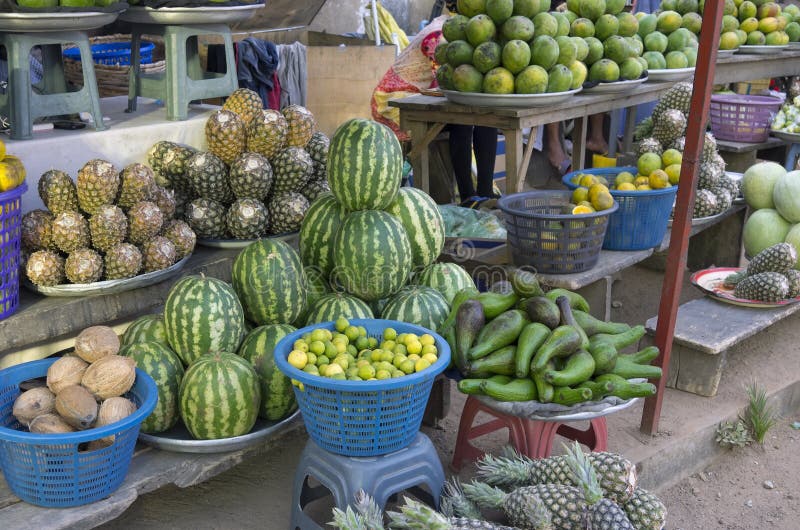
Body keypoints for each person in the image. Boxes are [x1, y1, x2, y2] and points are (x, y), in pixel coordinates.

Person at [371, 12, 499, 206]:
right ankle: (468, 197)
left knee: (487, 116)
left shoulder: (458, 28)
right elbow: (449, 83)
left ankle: (486, 193)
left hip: (424, 96)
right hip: (394, 103)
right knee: (461, 122)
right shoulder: (439, 36)